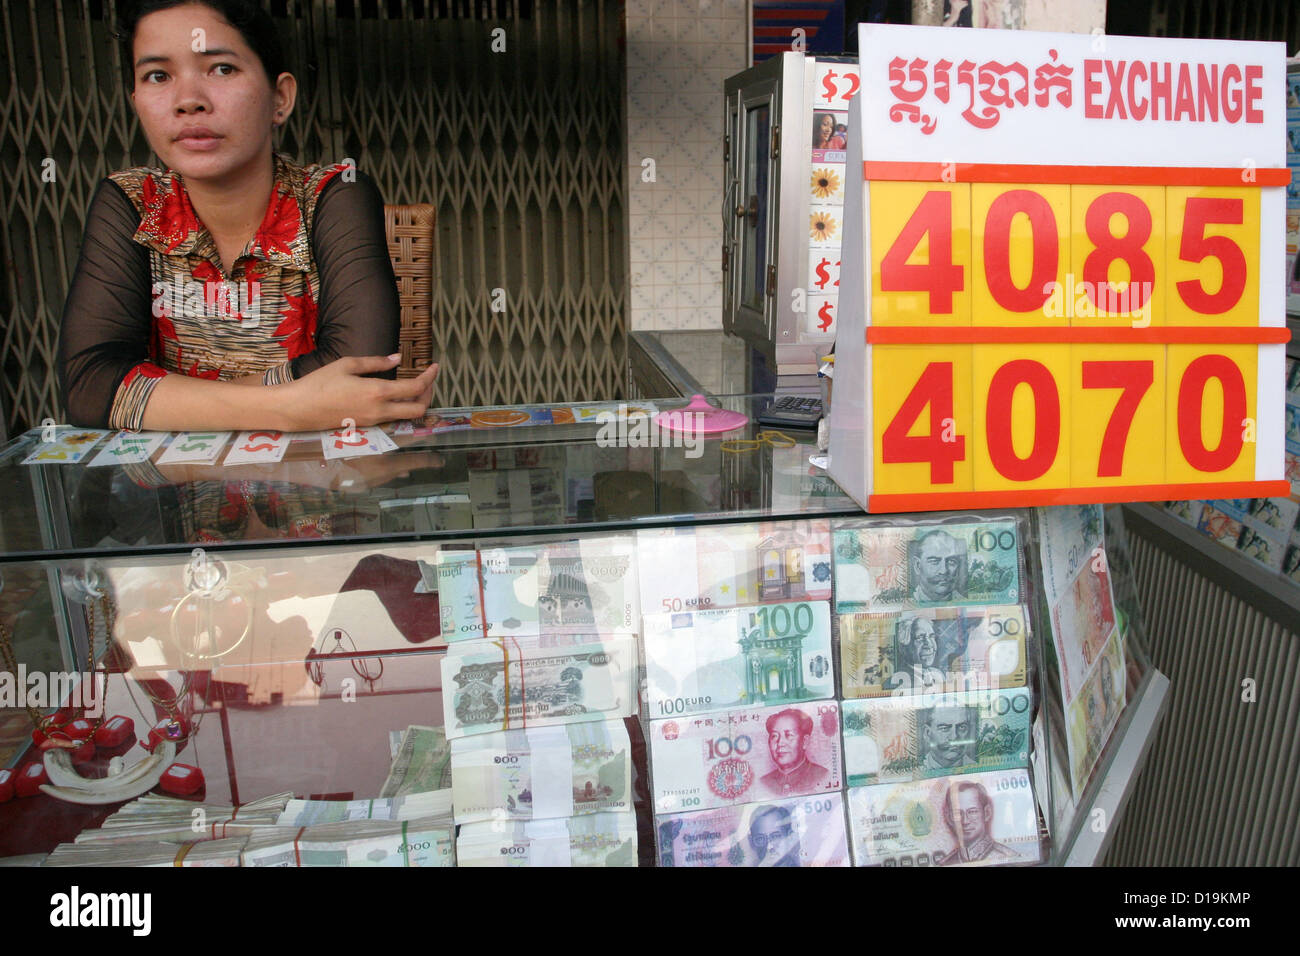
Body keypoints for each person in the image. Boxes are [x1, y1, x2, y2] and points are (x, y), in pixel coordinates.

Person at [58, 0, 439, 433]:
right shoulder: (132, 203)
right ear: (136, 101)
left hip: (322, 483)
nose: (188, 101)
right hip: (174, 488)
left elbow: (362, 374)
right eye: (158, 76)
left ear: (281, 98)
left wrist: (160, 402)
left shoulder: (334, 195)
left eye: (221, 69)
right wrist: (290, 406)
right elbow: (87, 388)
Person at [935, 781, 1019, 865]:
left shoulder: (1011, 858)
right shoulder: (944, 863)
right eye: (957, 813)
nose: (965, 821)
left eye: (972, 812)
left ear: (987, 813)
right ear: (949, 818)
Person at [759, 708, 831, 796]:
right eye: (774, 736)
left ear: (805, 741)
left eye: (789, 735)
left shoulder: (823, 776)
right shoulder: (763, 783)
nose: (780, 743)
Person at [882, 614, 946, 695]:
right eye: (920, 637)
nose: (929, 645)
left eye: (931, 636)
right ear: (904, 647)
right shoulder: (893, 684)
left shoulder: (939, 675)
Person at [910, 529, 967, 603]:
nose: (944, 571)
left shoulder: (964, 602)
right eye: (934, 561)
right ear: (917, 566)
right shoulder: (908, 602)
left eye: (951, 562)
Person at [920, 702, 978, 772]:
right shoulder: (917, 769)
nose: (954, 737)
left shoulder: (976, 767)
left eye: (962, 727)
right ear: (927, 733)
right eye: (944, 728)